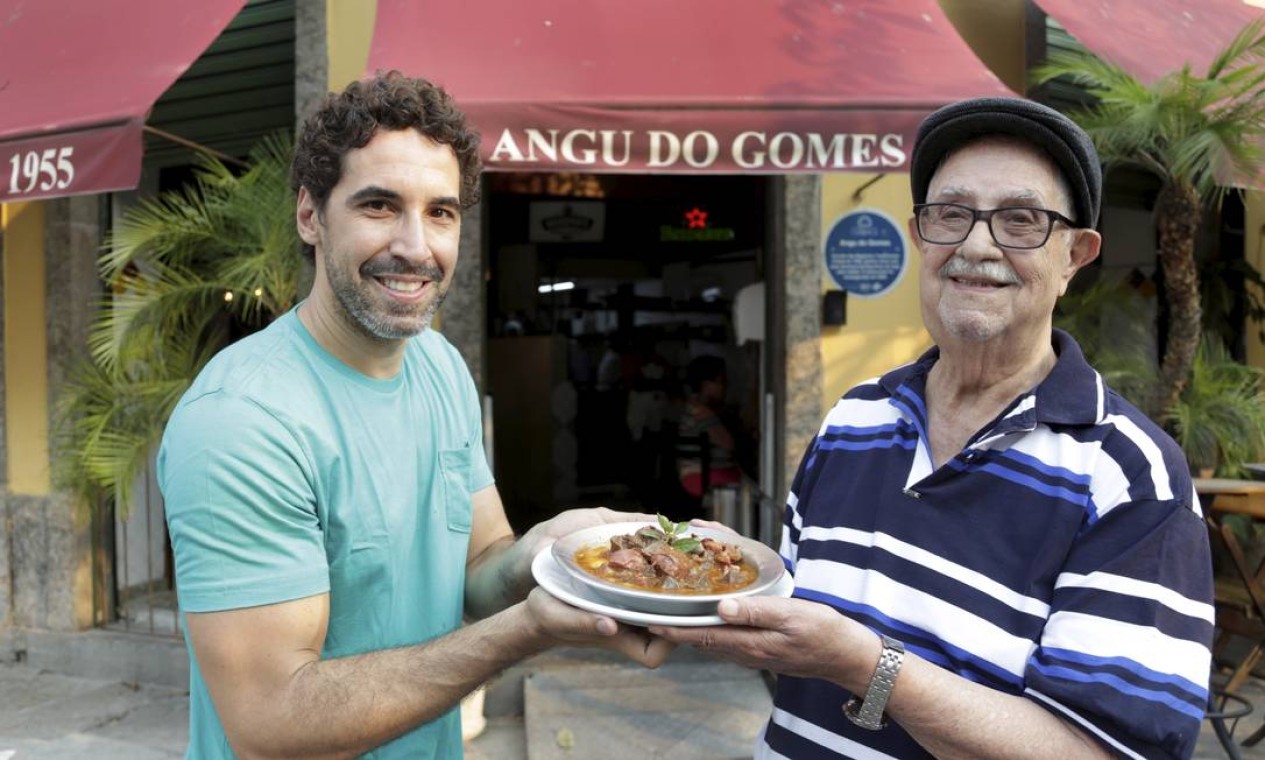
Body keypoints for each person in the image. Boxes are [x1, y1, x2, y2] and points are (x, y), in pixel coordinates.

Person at [650, 97, 1214, 759]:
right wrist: (725, 577)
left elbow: (1106, 753)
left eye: (1020, 219)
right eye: (950, 214)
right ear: (920, 236)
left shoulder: (1128, 474)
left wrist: (870, 668)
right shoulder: (854, 418)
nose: (976, 244)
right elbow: (806, 623)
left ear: (1074, 255)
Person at [158, 71, 671, 760]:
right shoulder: (241, 422)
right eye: (378, 205)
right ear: (310, 215)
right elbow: (270, 721)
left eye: (441, 211)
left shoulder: (437, 364)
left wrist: (551, 553)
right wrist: (528, 629)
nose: (416, 246)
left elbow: (480, 568)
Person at [676, 355, 744, 500]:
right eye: (720, 381)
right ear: (705, 384)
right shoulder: (701, 411)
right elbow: (729, 444)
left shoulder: (695, 406)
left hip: (699, 474)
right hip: (701, 476)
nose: (724, 387)